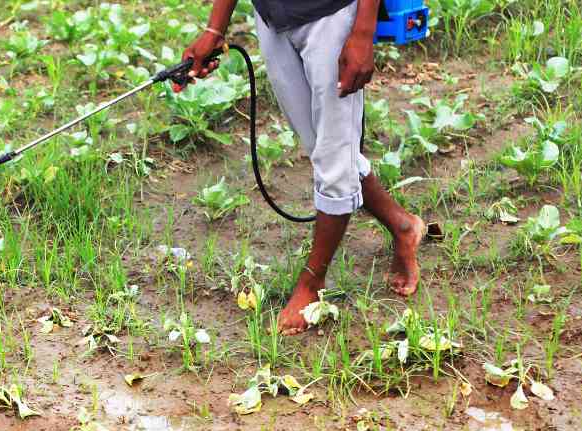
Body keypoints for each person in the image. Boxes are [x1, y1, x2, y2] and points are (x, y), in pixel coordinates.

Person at [175, 0, 426, 335]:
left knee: (334, 160)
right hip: (273, 19)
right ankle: (404, 225)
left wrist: (362, 31)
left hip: (331, 17)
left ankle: (312, 281)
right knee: (322, 148)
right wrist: (214, 30)